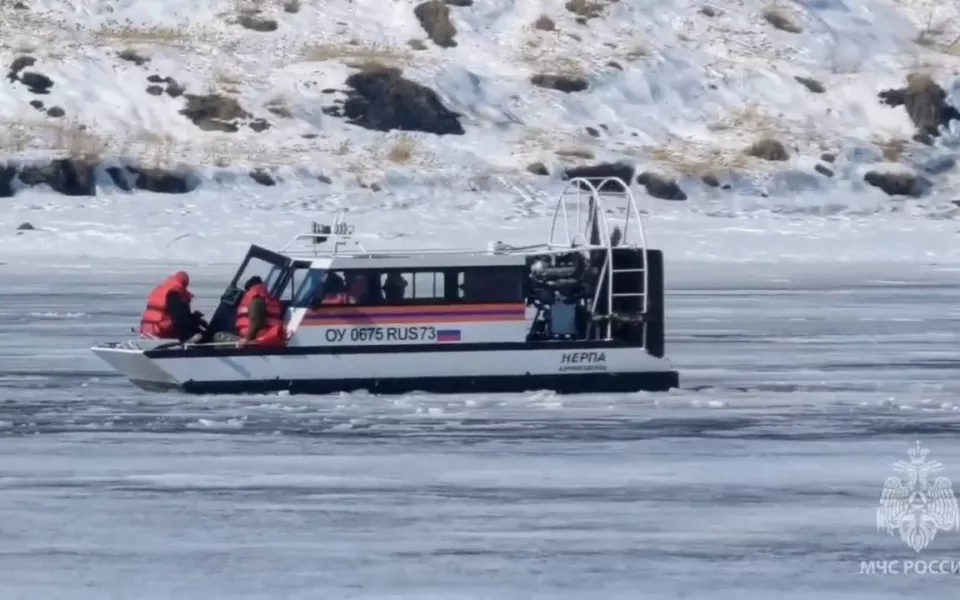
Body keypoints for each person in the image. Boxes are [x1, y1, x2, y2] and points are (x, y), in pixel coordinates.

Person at [139, 270, 207, 342]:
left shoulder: (161, 289)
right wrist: (195, 321)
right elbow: (180, 318)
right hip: (162, 330)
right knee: (196, 331)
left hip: (148, 327)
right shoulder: (174, 293)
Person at [235, 276, 287, 347]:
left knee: (218, 336)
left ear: (250, 288)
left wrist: (246, 339)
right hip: (267, 336)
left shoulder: (257, 298)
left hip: (255, 340)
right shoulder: (267, 297)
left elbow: (256, 322)